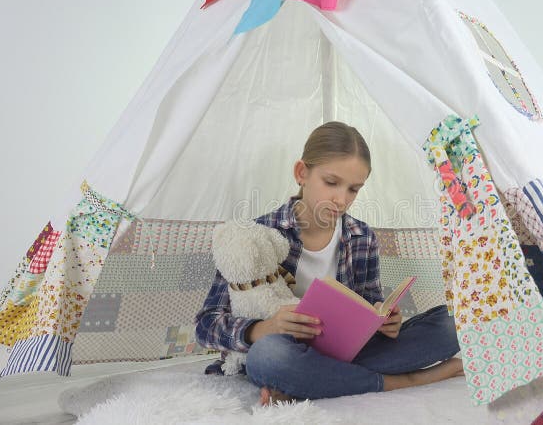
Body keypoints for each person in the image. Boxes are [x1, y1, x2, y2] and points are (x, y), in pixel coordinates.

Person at [195, 121, 462, 405]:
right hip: (285, 350)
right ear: (302, 173)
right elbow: (206, 325)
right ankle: (403, 380)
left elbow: (369, 306)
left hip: (348, 352)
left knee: (453, 324)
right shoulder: (255, 236)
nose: (341, 199)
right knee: (268, 357)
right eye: (331, 183)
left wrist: (385, 321)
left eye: (353, 189)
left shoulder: (362, 237)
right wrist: (262, 328)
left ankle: (306, 384)